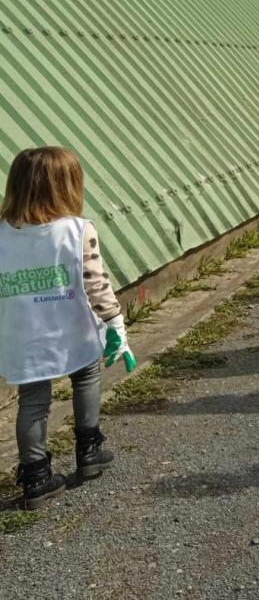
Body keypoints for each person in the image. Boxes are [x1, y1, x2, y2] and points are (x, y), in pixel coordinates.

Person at [0, 147, 135, 510]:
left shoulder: (2, 234)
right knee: (87, 375)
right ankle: (89, 450)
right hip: (71, 329)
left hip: (23, 335)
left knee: (33, 399)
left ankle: (35, 477)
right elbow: (96, 284)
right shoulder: (77, 230)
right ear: (67, 186)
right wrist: (115, 323)